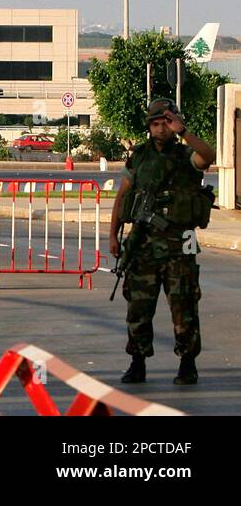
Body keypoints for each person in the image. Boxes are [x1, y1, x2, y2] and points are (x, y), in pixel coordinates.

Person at [110, 98, 215, 386]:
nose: (161, 129)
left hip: (179, 246)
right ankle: (137, 361)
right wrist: (112, 234)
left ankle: (187, 363)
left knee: (184, 308)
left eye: (166, 123)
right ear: (148, 126)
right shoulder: (139, 157)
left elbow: (209, 155)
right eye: (156, 124)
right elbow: (122, 197)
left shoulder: (186, 156)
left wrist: (184, 132)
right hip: (143, 245)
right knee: (139, 308)